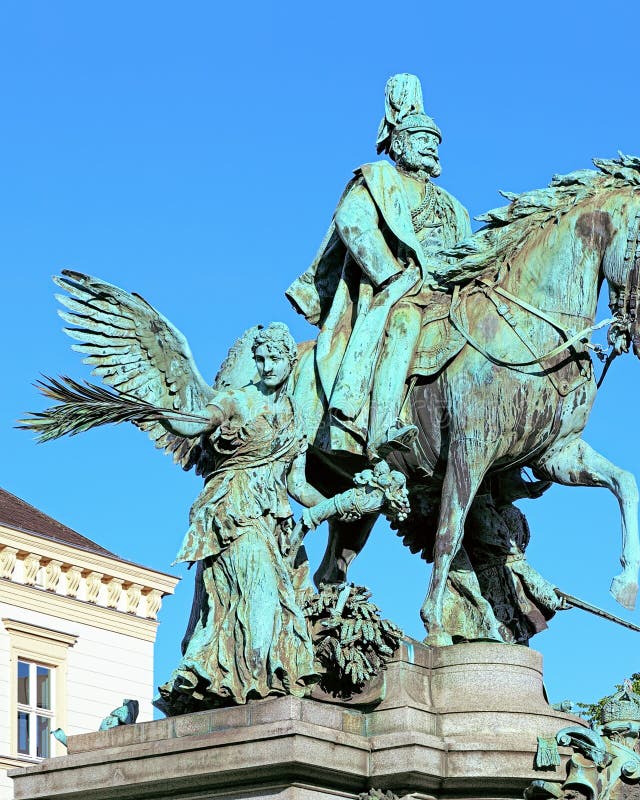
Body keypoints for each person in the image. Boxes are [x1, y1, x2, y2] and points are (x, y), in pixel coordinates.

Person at [287, 74, 471, 458]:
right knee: (403, 323)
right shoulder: (379, 179)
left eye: (435, 143)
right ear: (400, 143)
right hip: (401, 289)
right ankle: (382, 424)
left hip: (447, 293)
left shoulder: (455, 207)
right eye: (423, 141)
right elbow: (353, 222)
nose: (432, 149)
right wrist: (392, 274)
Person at [155, 323, 328, 713]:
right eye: (261, 359)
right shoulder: (236, 400)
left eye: (274, 359)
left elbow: (298, 485)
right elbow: (195, 423)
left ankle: (246, 693)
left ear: (289, 362)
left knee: (283, 610)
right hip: (233, 512)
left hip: (273, 522)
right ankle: (251, 700)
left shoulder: (293, 418)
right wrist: (162, 414)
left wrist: (341, 506)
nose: (266, 366)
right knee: (261, 601)